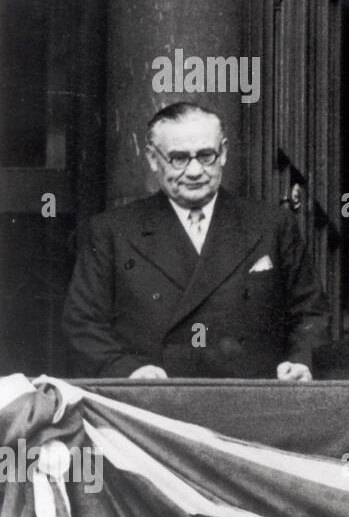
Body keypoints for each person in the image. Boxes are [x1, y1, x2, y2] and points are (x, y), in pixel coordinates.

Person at [63, 102, 329, 380]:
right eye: (178, 158)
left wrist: (301, 362)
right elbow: (82, 323)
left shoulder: (272, 225)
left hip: (251, 403)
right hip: (152, 403)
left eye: (205, 156)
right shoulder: (110, 231)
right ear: (153, 159)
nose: (194, 171)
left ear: (223, 152)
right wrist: (128, 371)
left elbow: (310, 313)